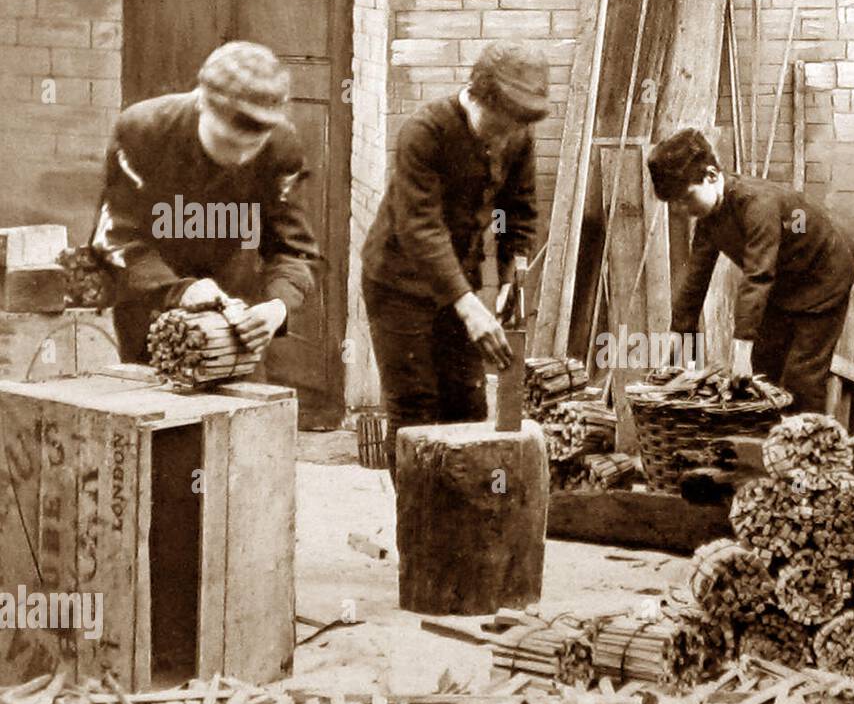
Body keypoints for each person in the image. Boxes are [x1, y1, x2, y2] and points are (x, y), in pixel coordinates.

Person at [361, 40, 548, 477]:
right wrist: (470, 306)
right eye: (500, 125)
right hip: (398, 284)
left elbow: (517, 212)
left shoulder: (517, 136)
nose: (505, 137)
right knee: (415, 412)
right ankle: (417, 517)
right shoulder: (425, 132)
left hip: (457, 284)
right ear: (481, 97)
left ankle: (460, 514)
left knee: (467, 404)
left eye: (515, 128)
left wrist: (512, 276)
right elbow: (420, 228)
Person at [93, 41, 320, 362]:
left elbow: (295, 249)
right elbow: (115, 238)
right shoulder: (143, 131)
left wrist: (278, 306)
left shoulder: (281, 146)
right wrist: (181, 290)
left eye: (253, 146)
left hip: (234, 319)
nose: (240, 158)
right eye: (227, 142)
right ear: (201, 102)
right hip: (152, 306)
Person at [647, 127, 854, 413]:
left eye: (686, 198)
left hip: (824, 280)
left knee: (802, 379)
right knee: (761, 375)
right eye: (675, 204)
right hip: (783, 286)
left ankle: (808, 439)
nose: (683, 209)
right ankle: (764, 439)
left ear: (711, 175)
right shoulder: (709, 219)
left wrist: (740, 350)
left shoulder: (758, 204)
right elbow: (695, 279)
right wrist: (675, 338)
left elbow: (758, 276)